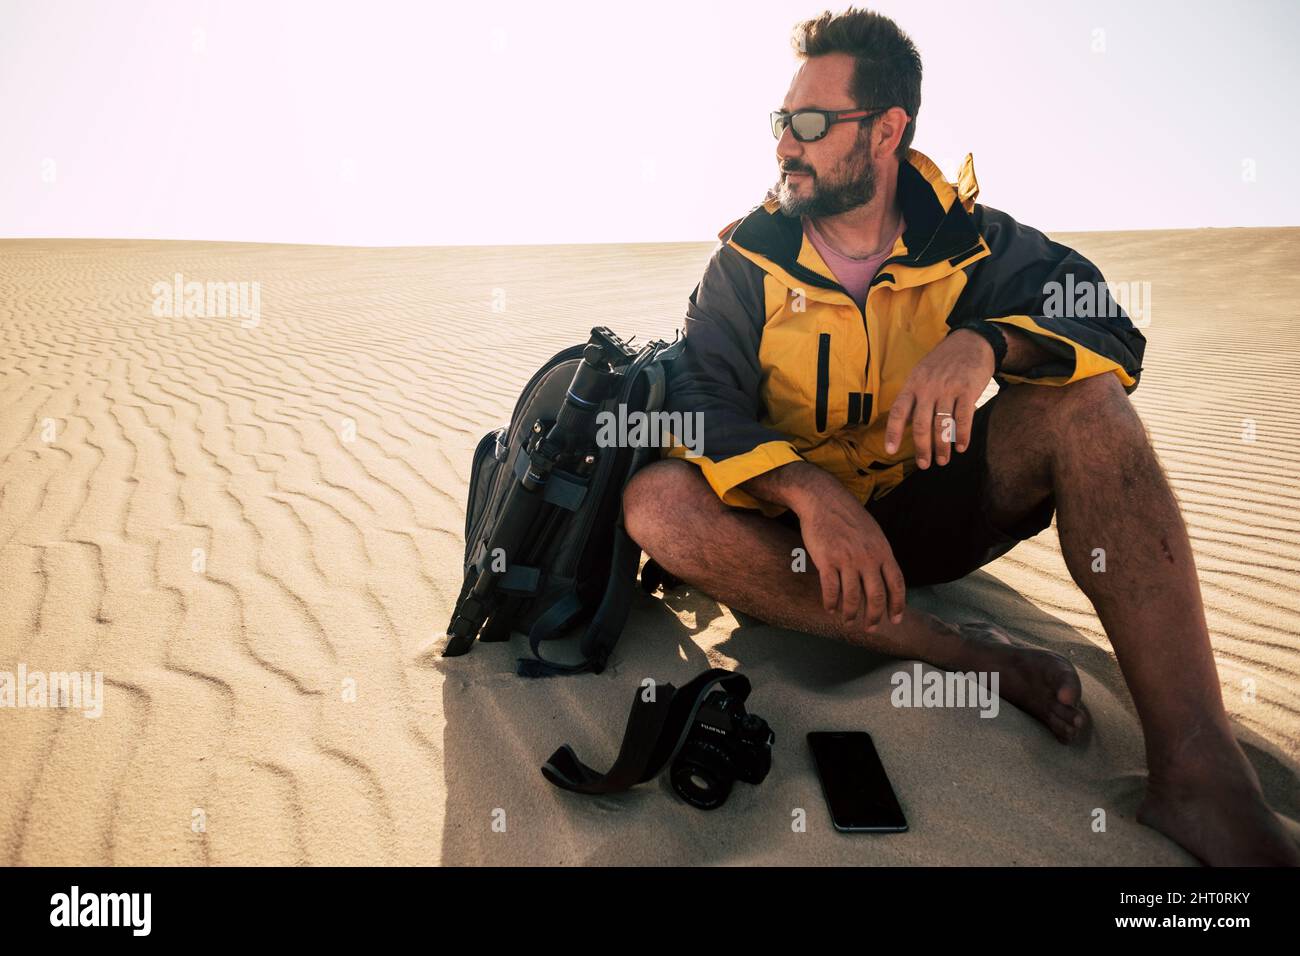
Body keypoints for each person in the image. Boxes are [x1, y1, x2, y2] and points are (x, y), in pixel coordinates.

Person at [622, 6, 1299, 866]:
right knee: (658, 506)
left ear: (887, 131)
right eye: (781, 122)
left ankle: (1200, 772)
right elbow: (697, 399)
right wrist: (807, 492)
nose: (785, 144)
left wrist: (989, 341)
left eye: (810, 123)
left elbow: (1104, 317)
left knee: (1090, 403)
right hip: (796, 541)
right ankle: (967, 653)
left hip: (929, 510)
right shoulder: (746, 263)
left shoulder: (969, 238)